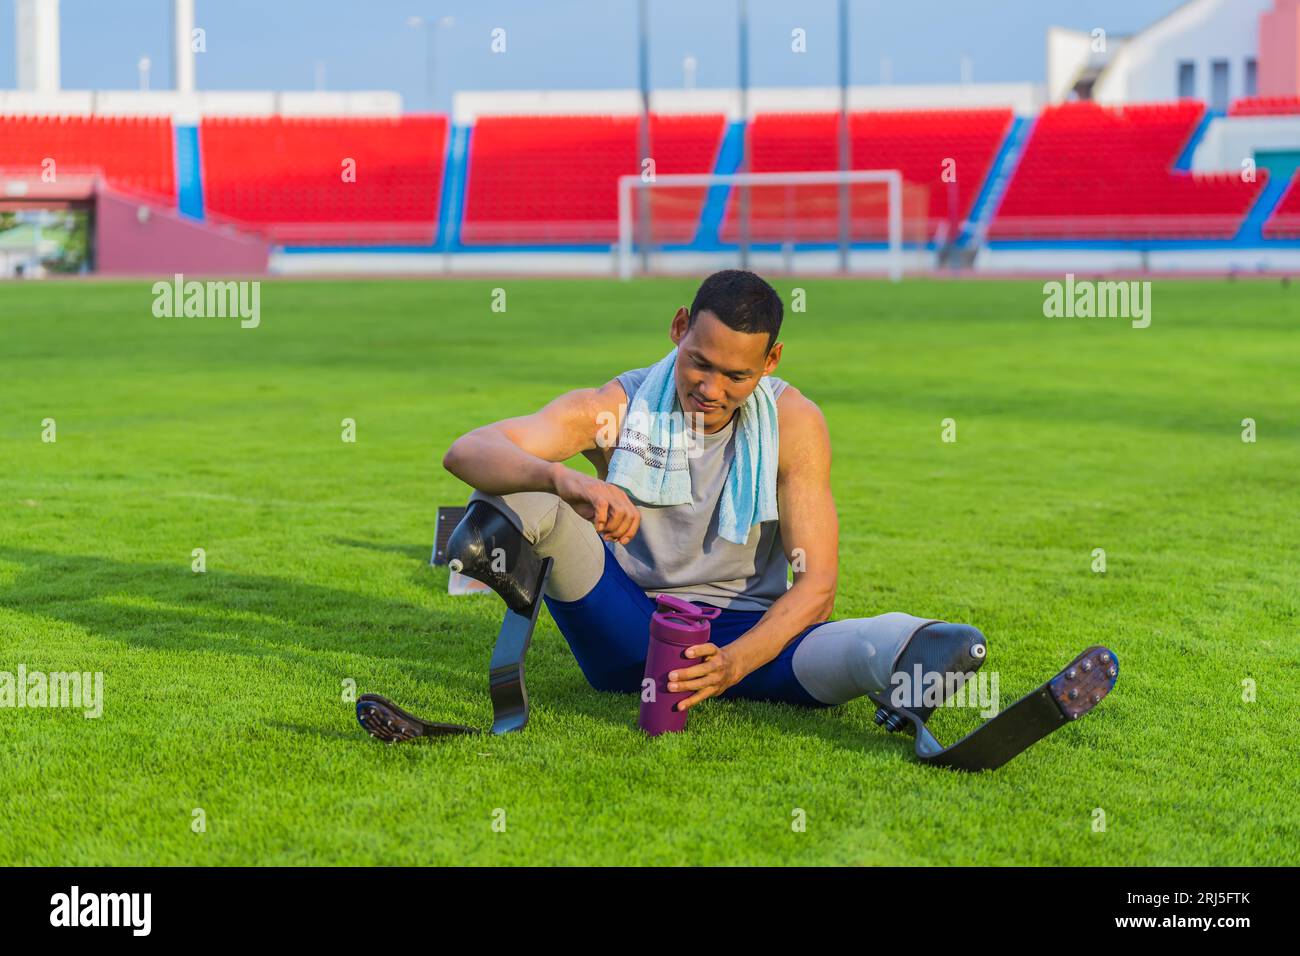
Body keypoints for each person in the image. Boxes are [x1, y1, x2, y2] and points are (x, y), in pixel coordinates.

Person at [441, 269, 985, 721]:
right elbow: (469, 449)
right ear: (679, 328)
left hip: (750, 633)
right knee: (523, 497)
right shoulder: (617, 407)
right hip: (629, 627)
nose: (711, 389)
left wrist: (731, 664)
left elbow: (816, 585)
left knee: (860, 650)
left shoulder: (795, 424)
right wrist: (569, 480)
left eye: (736, 376)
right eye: (699, 362)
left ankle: (912, 651)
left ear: (770, 363)